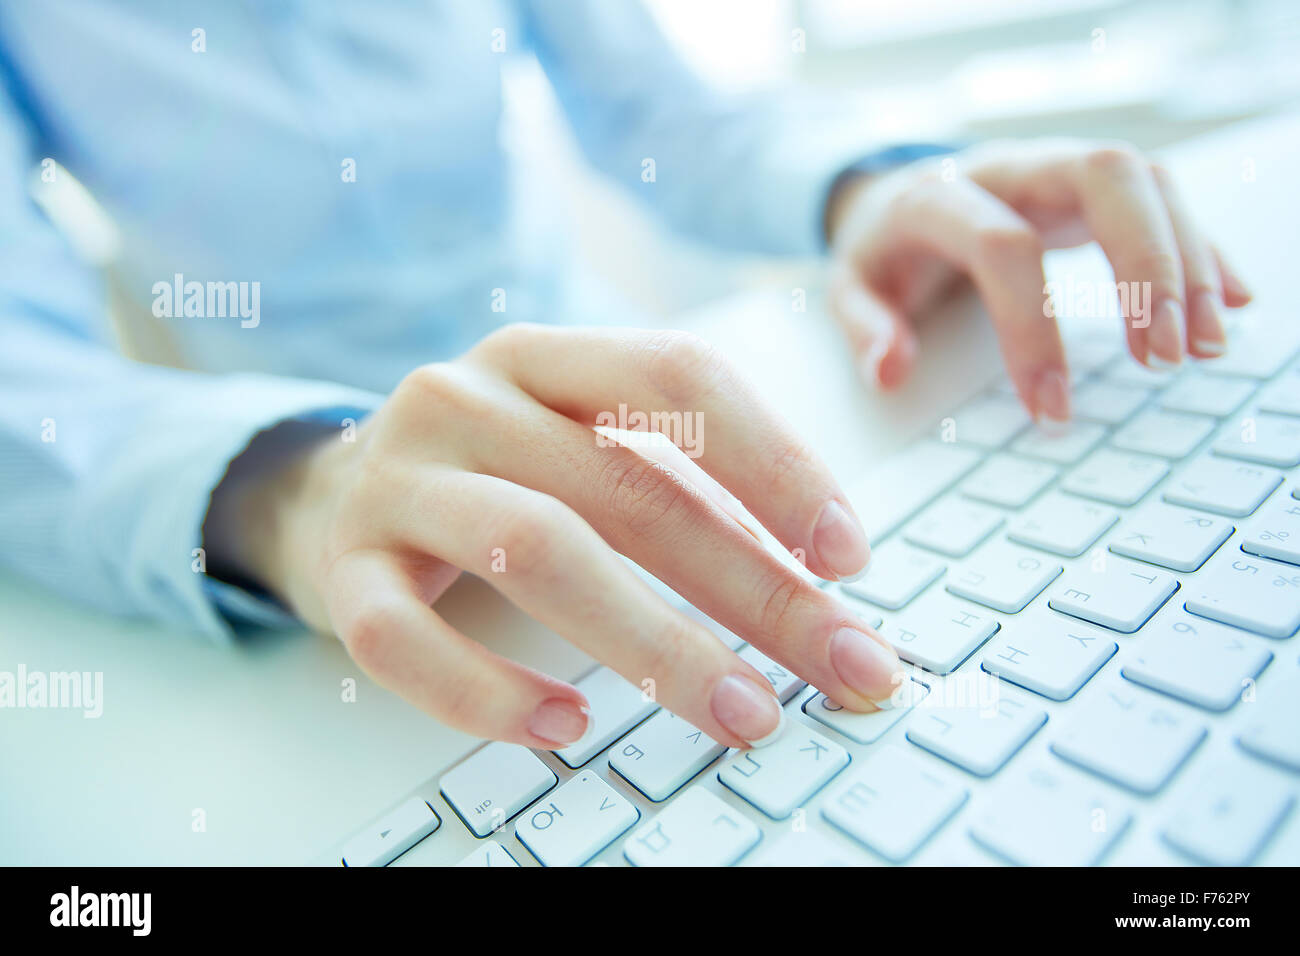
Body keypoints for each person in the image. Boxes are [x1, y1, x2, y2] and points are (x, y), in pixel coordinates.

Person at [0, 1, 1251, 752]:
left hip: (619, 418)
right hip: (344, 530)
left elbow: (661, 116)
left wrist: (866, 181)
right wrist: (288, 487)